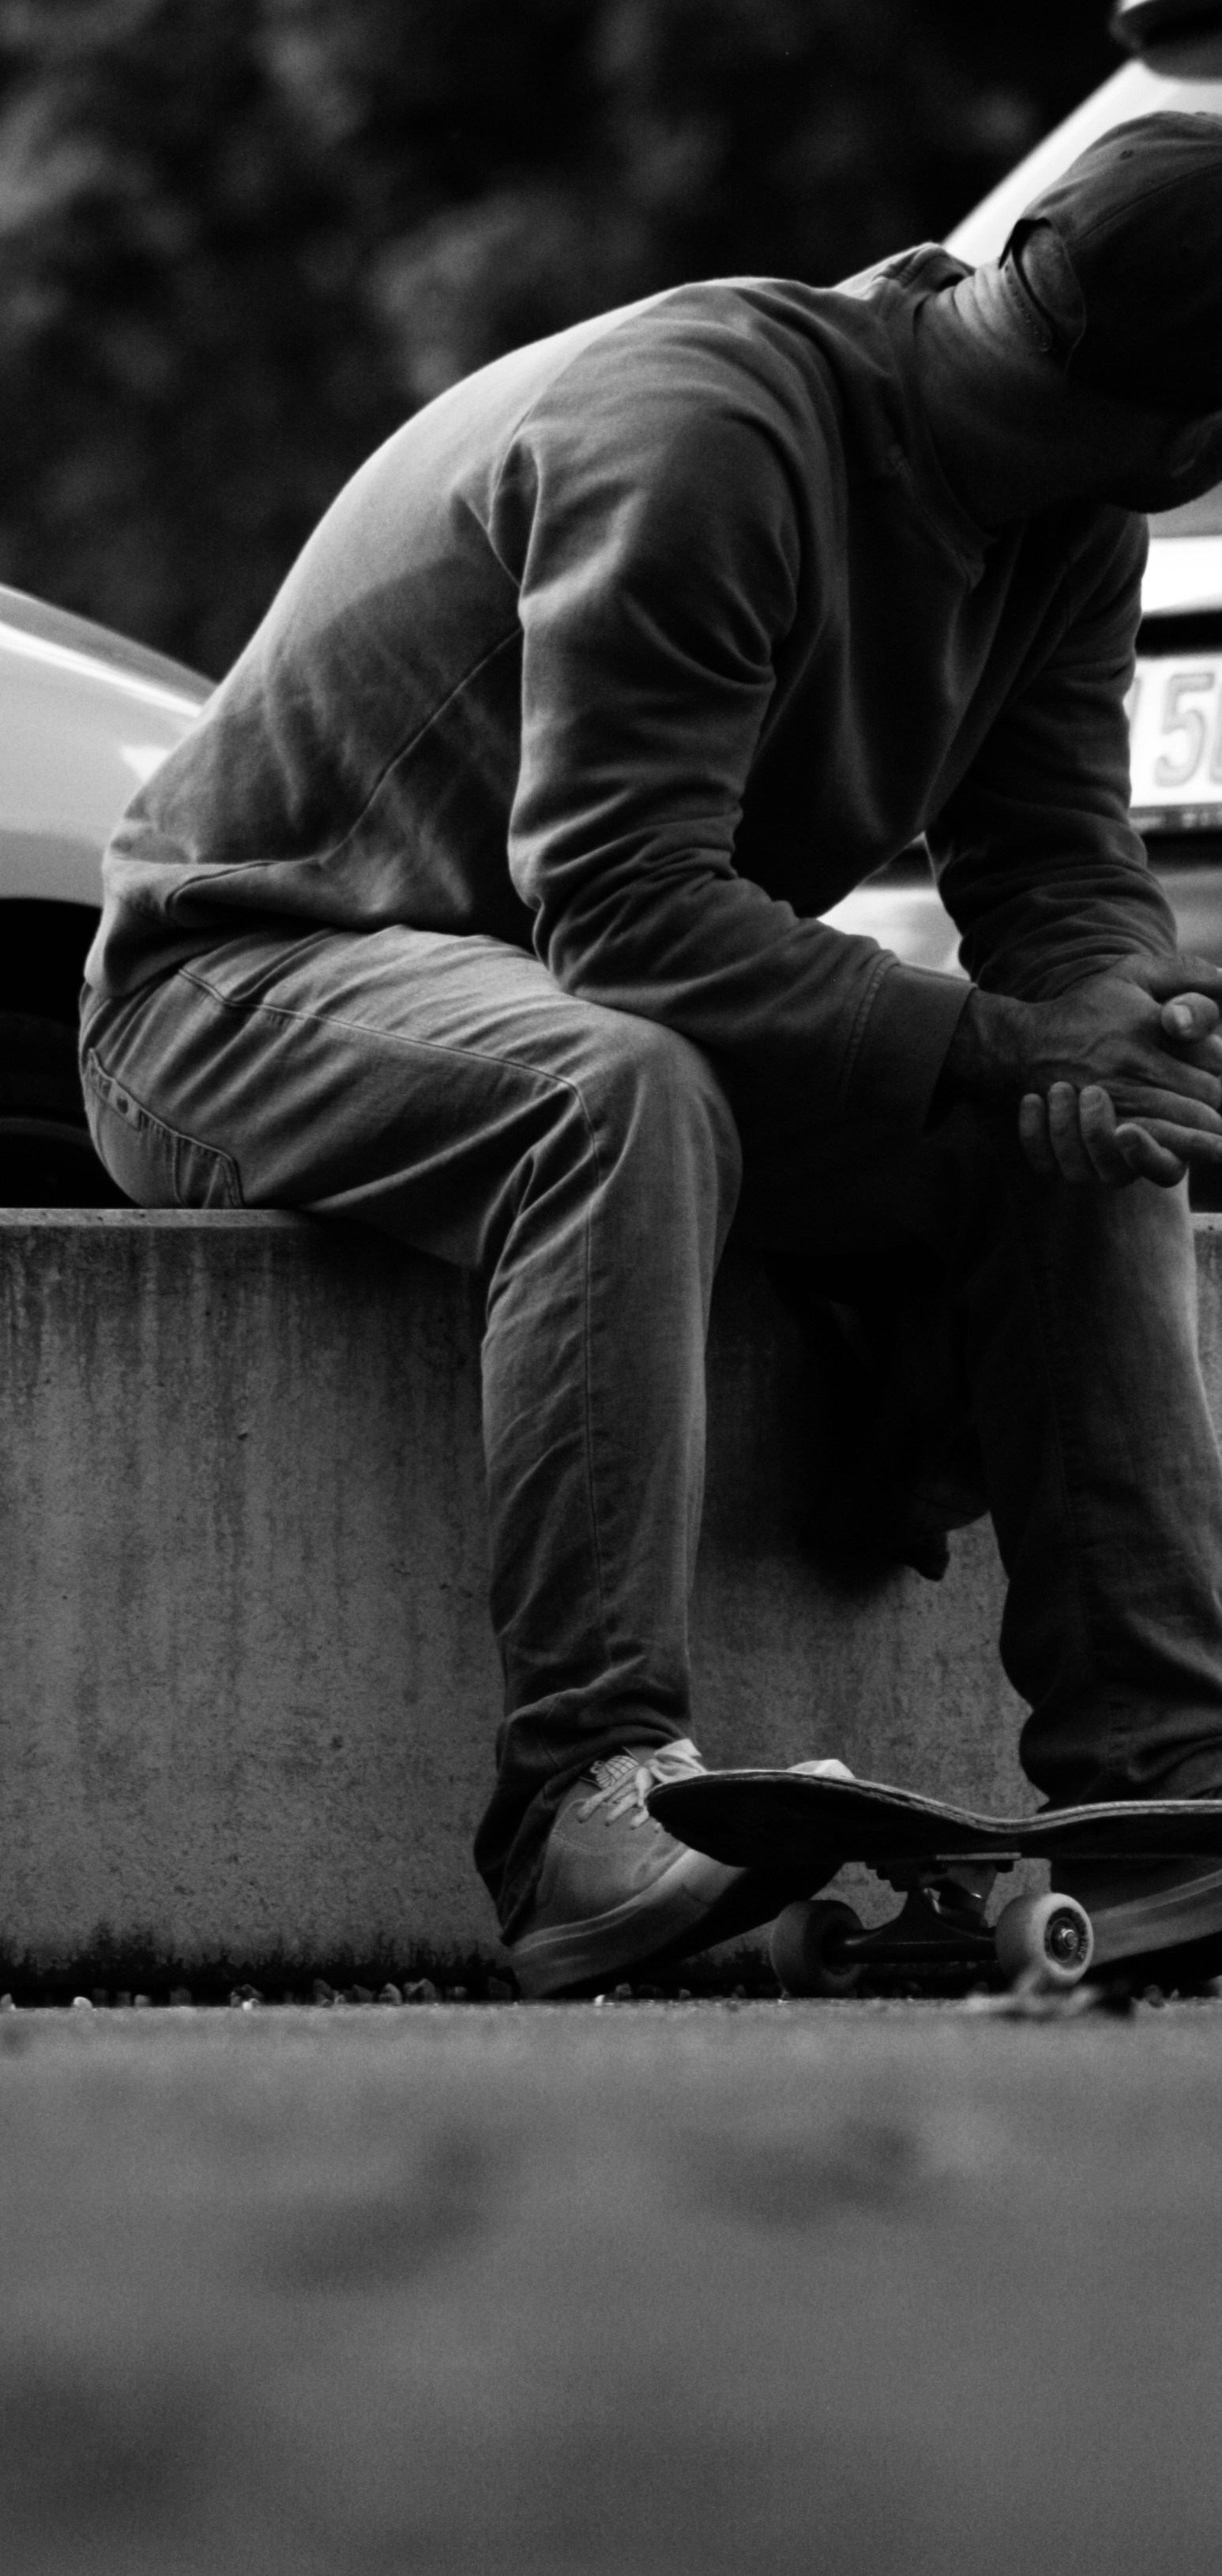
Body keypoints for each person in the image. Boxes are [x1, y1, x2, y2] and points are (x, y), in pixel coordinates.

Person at [80, 113, 1222, 1995]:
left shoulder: (1060, 527)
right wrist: (1007, 1036)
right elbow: (617, 907)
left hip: (566, 1003)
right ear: (1198, 440)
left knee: (1066, 1126)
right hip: (240, 987)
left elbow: (1056, 872)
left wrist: (1119, 1030)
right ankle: (584, 1803)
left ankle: (1168, 1781)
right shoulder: (712, 430)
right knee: (622, 1086)